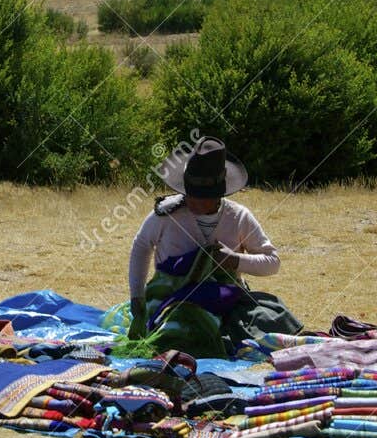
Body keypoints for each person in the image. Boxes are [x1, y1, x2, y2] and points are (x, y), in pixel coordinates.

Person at [127, 137, 301, 358]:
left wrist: (235, 260)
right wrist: (137, 296)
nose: (194, 201)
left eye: (203, 197)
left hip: (224, 298)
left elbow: (272, 262)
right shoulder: (166, 215)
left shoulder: (238, 217)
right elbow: (141, 246)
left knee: (272, 317)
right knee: (179, 327)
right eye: (190, 193)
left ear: (219, 194)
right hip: (171, 298)